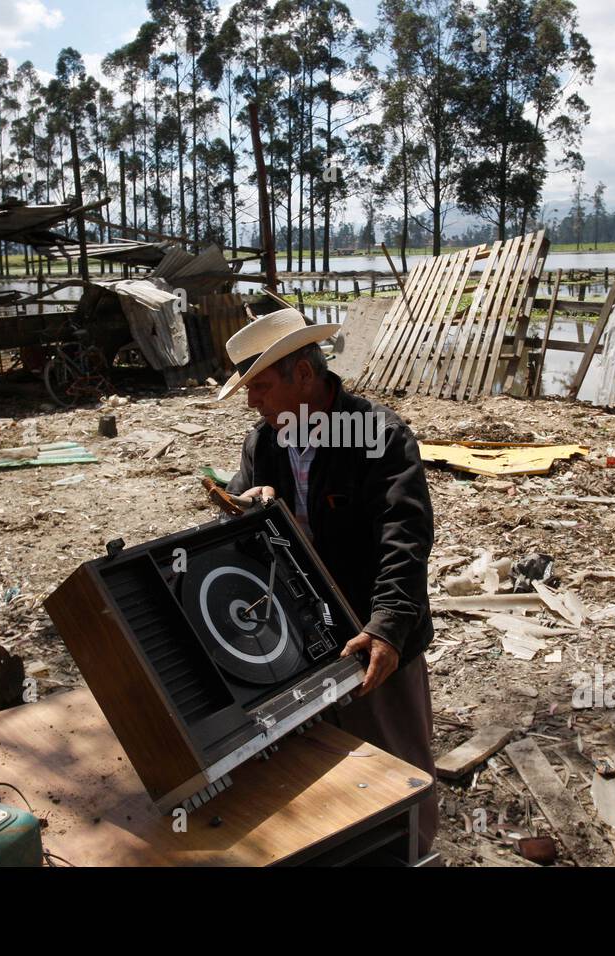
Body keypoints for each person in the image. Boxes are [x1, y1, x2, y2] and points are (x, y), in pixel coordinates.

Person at [218, 308, 439, 855]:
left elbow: (404, 542)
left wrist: (387, 628)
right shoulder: (264, 443)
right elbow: (242, 509)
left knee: (397, 758)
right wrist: (248, 508)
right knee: (322, 762)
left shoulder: (376, 436)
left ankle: (416, 854)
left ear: (303, 375)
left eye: (261, 386)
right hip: (303, 633)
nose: (253, 402)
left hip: (371, 628)